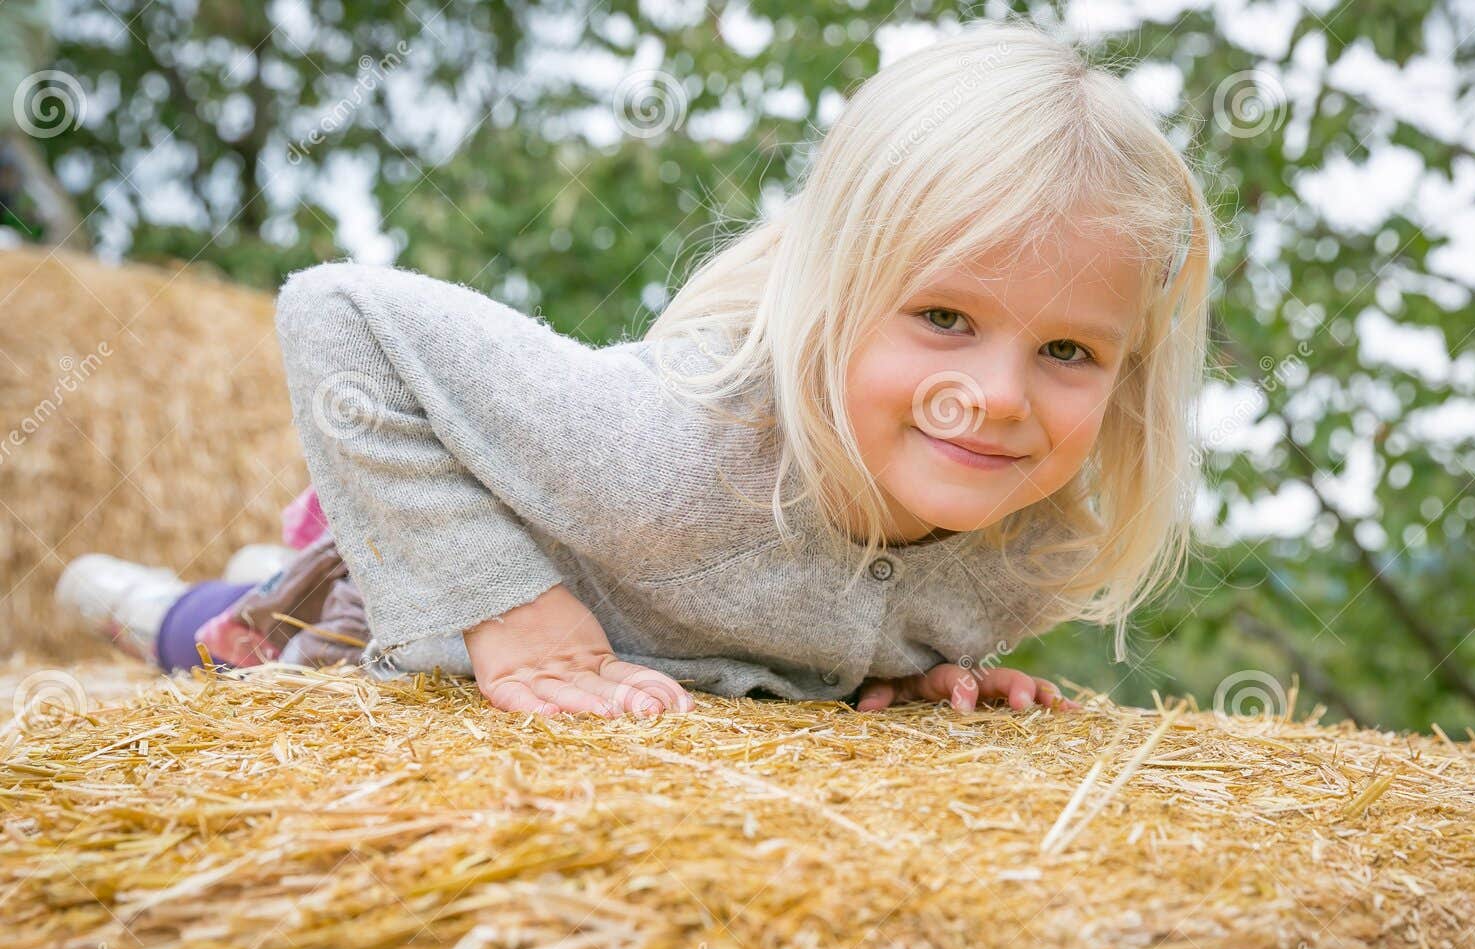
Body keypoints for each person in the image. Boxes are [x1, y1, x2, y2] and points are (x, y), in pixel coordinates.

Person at [59, 17, 1212, 720]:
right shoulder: (662, 443)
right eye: (946, 316)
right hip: (402, 586)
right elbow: (336, 312)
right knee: (251, 648)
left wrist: (901, 680)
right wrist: (509, 615)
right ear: (830, 299)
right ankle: (167, 602)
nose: (1000, 397)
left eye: (1067, 350)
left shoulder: (1036, 550)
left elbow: (809, 627)